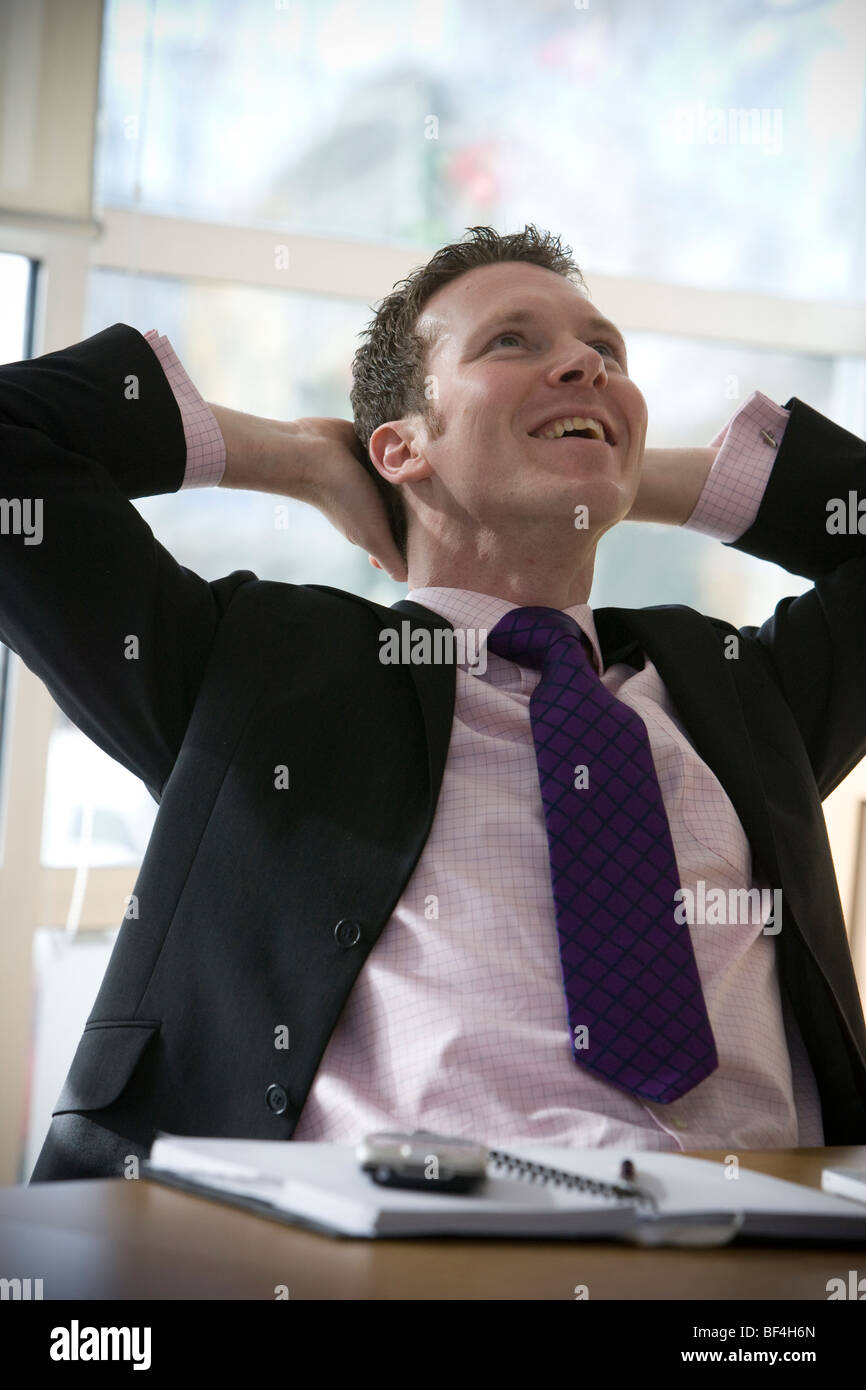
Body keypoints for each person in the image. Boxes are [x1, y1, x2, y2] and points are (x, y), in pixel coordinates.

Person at [2, 225, 864, 1185]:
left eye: (606, 354)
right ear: (400, 444)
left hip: (765, 1268)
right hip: (404, 1260)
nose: (584, 362)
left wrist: (625, 473)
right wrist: (295, 456)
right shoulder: (253, 678)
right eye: (512, 343)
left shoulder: (741, 696)